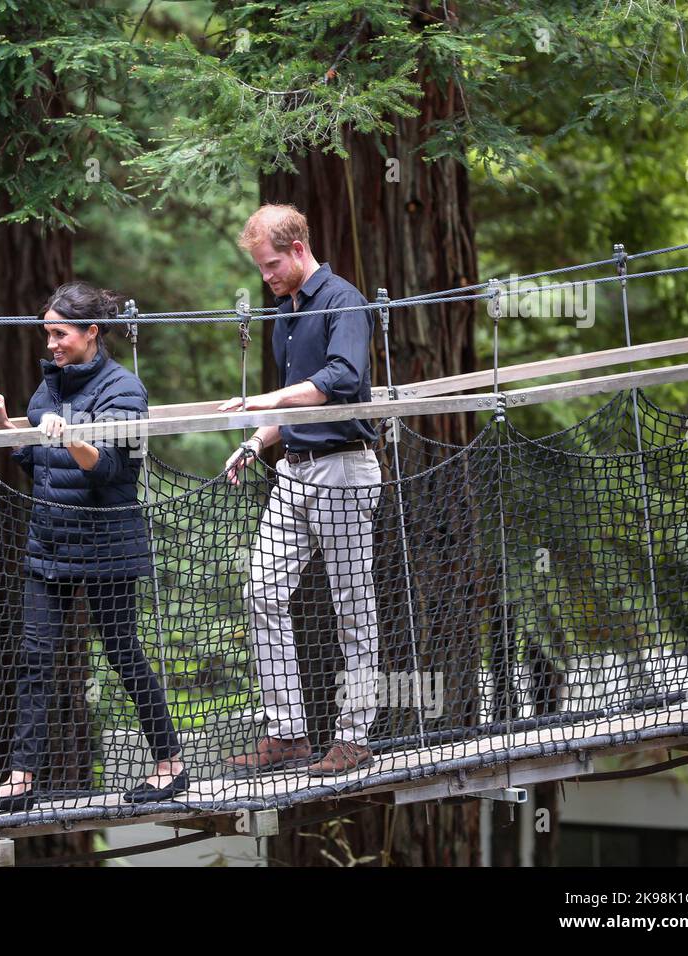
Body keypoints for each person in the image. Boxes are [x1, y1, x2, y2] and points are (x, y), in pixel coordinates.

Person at [0, 281, 188, 809]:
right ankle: (22, 776)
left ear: (92, 332)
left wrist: (67, 434)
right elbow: (39, 467)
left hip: (106, 544)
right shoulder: (48, 390)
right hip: (48, 545)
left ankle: (170, 763)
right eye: (47, 333)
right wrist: (11, 429)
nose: (51, 343)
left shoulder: (125, 391)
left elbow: (111, 469)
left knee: (121, 652)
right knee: (34, 658)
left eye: (61, 333)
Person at [221, 204, 383, 776]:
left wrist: (268, 401)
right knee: (261, 592)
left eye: (269, 265)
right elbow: (295, 399)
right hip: (293, 468)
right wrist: (259, 439)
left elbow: (342, 380)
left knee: (352, 607)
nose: (264, 276)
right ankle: (287, 734)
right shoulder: (284, 312)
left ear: (295, 249)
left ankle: (354, 735)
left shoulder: (344, 300)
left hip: (343, 468)